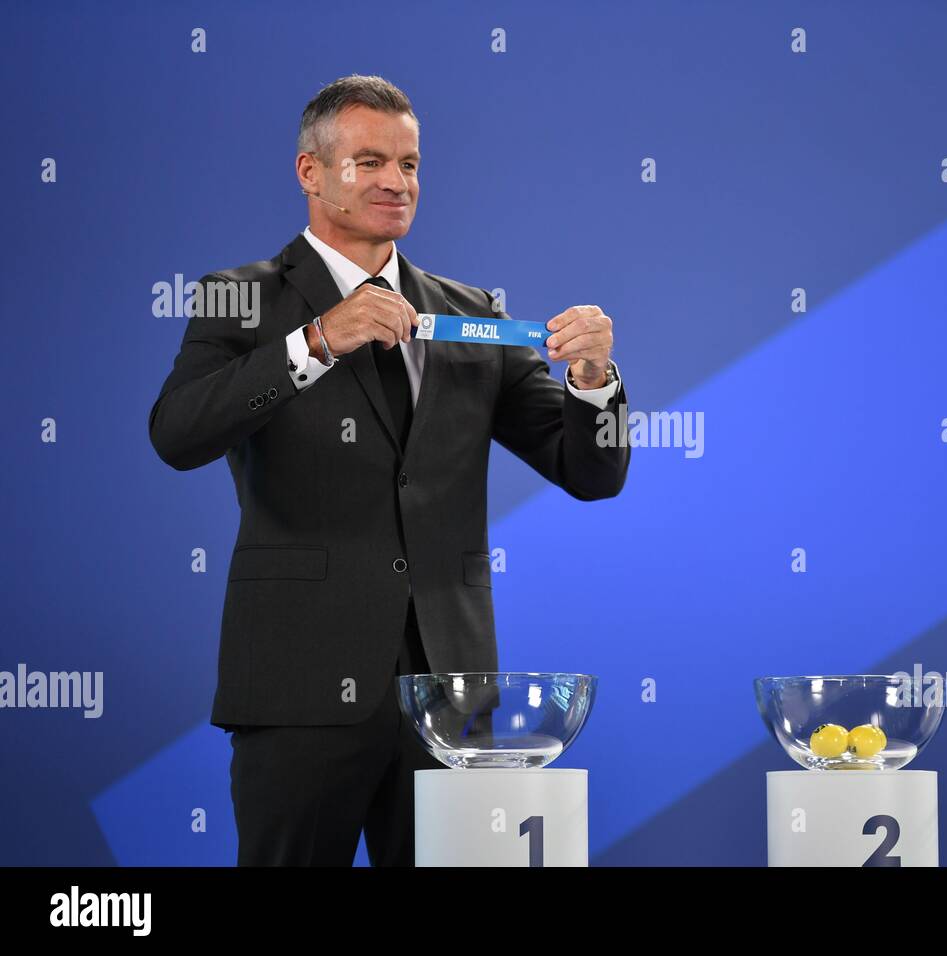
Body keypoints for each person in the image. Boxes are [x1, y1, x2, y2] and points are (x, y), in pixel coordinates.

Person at [148, 74, 629, 866]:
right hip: (299, 691)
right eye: (369, 161)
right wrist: (316, 342)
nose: (396, 182)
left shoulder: (469, 310)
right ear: (310, 172)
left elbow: (592, 471)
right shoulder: (239, 301)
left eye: (408, 164)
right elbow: (177, 434)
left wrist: (593, 383)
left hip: (453, 698)